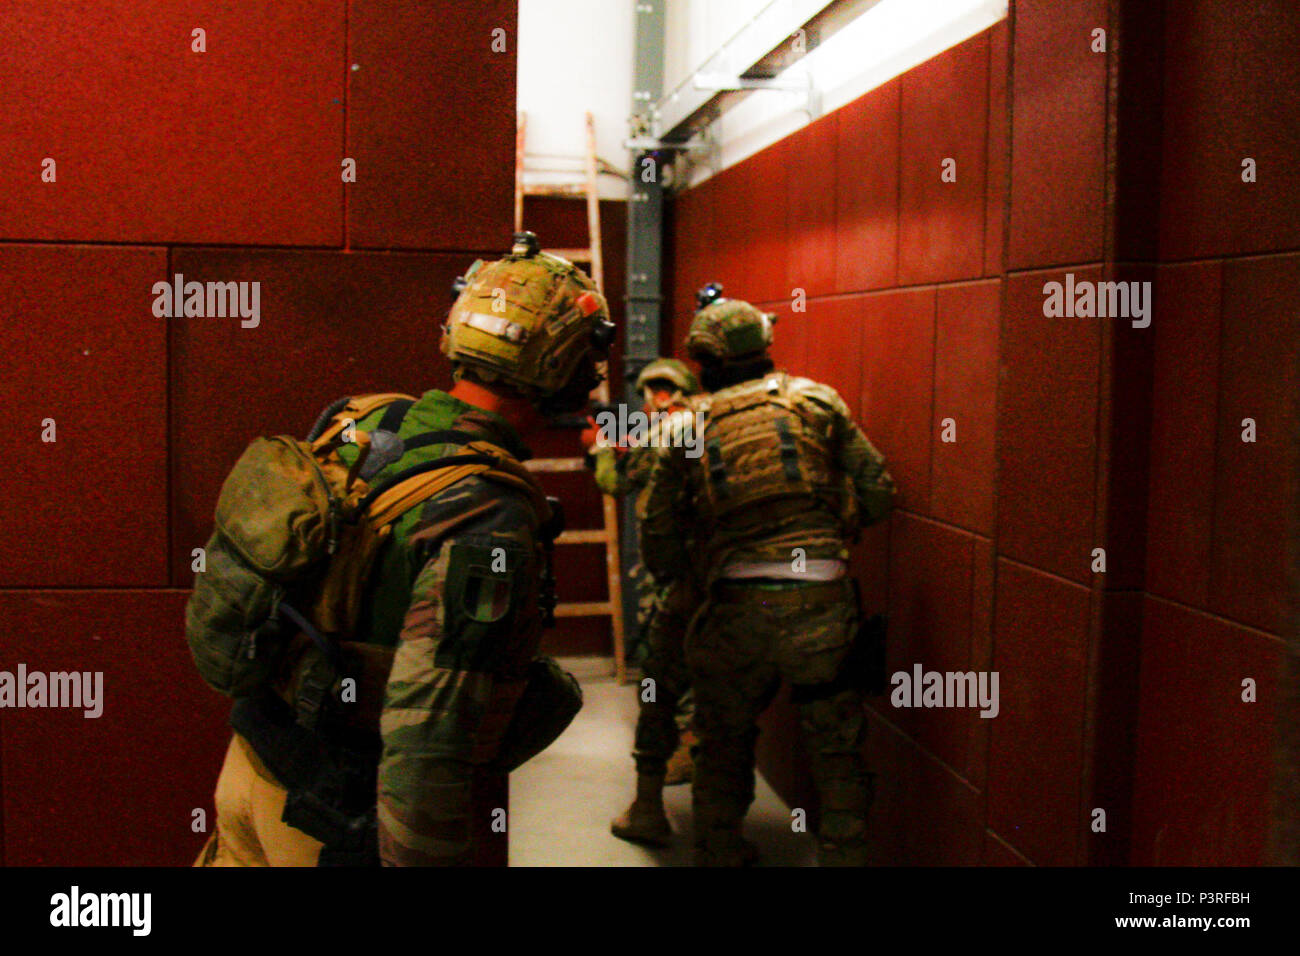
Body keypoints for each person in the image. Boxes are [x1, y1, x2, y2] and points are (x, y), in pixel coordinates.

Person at [194, 232, 615, 866]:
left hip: (251, 770)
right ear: (562, 367)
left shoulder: (363, 419)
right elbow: (430, 735)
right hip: (331, 820)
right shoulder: (489, 512)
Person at [638, 283, 894, 866]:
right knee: (836, 747)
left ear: (702, 363)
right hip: (823, 602)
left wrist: (689, 577)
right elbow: (879, 493)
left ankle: (720, 849)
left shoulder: (686, 427)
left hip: (734, 604)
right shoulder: (817, 400)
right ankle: (844, 855)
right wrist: (836, 523)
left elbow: (658, 530)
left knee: (722, 740)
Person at [582, 358, 704, 845]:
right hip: (712, 577)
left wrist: (602, 450)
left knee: (662, 675)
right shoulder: (704, 427)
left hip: (679, 578)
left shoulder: (667, 434)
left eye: (666, 389)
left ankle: (668, 772)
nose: (659, 398)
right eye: (652, 390)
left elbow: (615, 482)